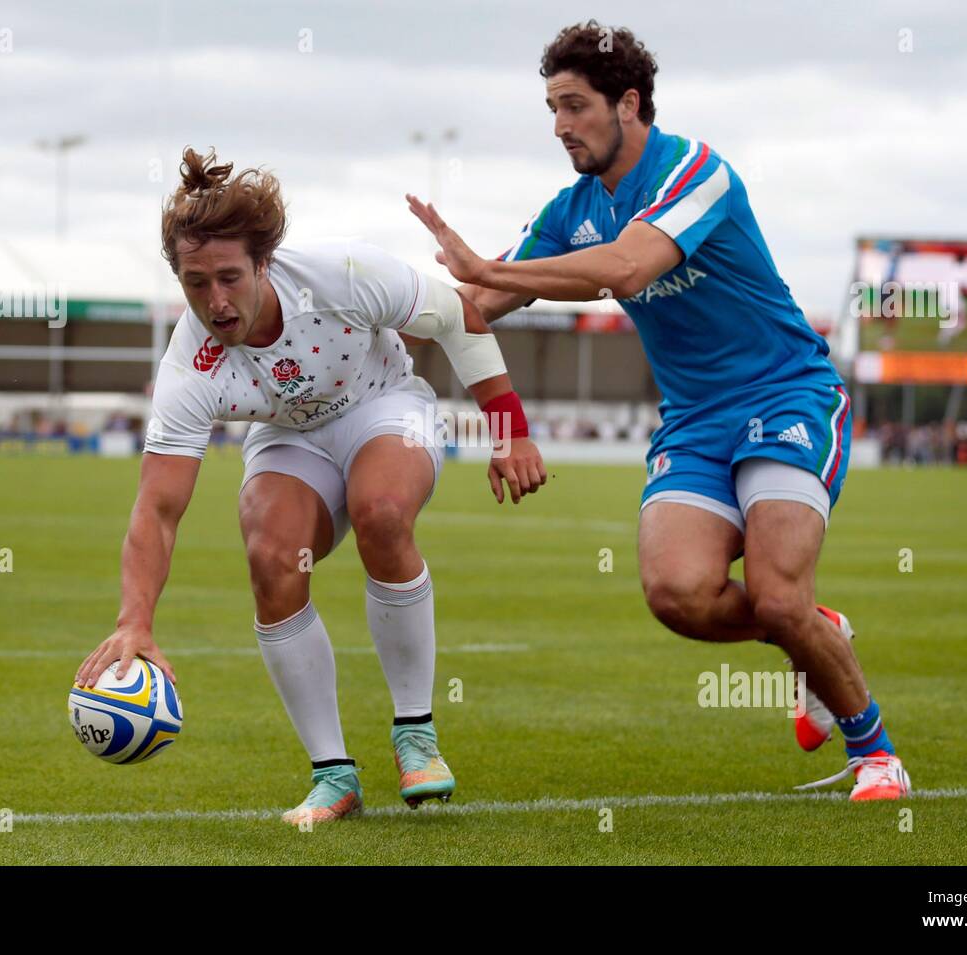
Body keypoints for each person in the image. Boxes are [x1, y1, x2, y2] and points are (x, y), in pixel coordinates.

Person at [407, 21, 909, 800]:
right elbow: (477, 302)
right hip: (696, 420)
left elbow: (630, 268)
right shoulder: (571, 208)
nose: (560, 126)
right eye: (552, 108)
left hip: (787, 395)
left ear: (629, 103)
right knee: (677, 594)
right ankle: (817, 633)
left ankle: (874, 753)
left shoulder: (696, 170)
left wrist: (495, 270)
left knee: (778, 595)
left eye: (574, 106)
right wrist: (368, 312)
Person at [76, 148, 547, 825]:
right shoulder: (190, 367)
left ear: (264, 263)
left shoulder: (341, 275)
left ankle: (414, 730)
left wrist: (510, 429)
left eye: (230, 277)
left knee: (381, 512)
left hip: (385, 405)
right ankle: (334, 773)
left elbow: (457, 314)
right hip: (290, 438)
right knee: (272, 560)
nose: (215, 300)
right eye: (194, 282)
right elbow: (157, 508)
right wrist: (135, 620)